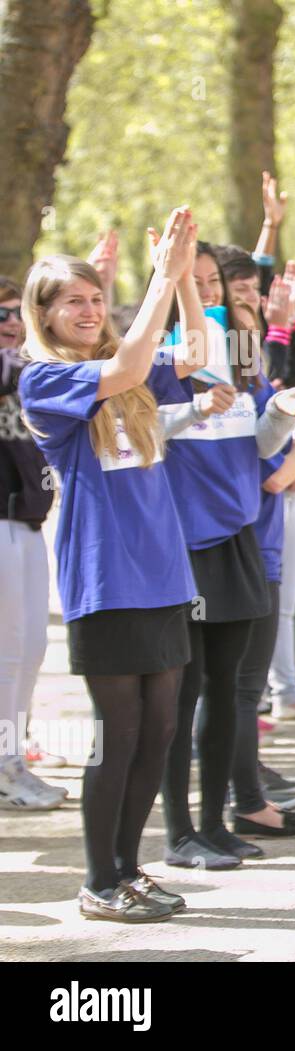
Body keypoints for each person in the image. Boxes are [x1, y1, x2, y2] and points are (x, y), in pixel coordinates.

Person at [19, 210, 203, 921]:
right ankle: (100, 879)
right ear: (47, 315)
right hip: (105, 577)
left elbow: (201, 350)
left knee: (160, 730)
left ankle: (132, 868)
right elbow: (129, 362)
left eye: (98, 299)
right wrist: (159, 278)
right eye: (75, 301)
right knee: (118, 733)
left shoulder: (129, 375)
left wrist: (184, 281)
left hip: (163, 573)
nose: (90, 311)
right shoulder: (46, 382)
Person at [156, 241, 295, 870]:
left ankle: (215, 823)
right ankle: (177, 834)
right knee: (185, 692)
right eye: (189, 281)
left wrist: (284, 411)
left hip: (241, 538)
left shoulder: (242, 355)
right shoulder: (157, 358)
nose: (205, 292)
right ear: (167, 288)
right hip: (184, 544)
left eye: (211, 282)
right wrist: (191, 405)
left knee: (231, 693)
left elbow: (258, 446)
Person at [0, 274, 69, 809]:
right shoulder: (19, 369)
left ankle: (13, 755)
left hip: (24, 522)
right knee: (9, 649)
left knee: (30, 647)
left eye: (13, 313)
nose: (9, 325)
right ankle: (5, 763)